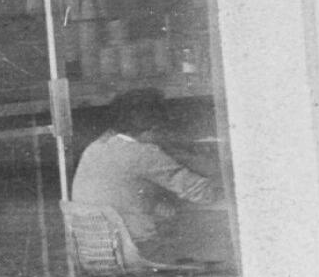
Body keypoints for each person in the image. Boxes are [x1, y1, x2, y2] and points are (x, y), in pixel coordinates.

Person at [71, 88, 225, 263]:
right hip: (137, 250)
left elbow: (122, 190)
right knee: (214, 237)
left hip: (97, 251)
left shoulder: (95, 147)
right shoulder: (143, 153)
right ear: (155, 124)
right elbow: (204, 194)